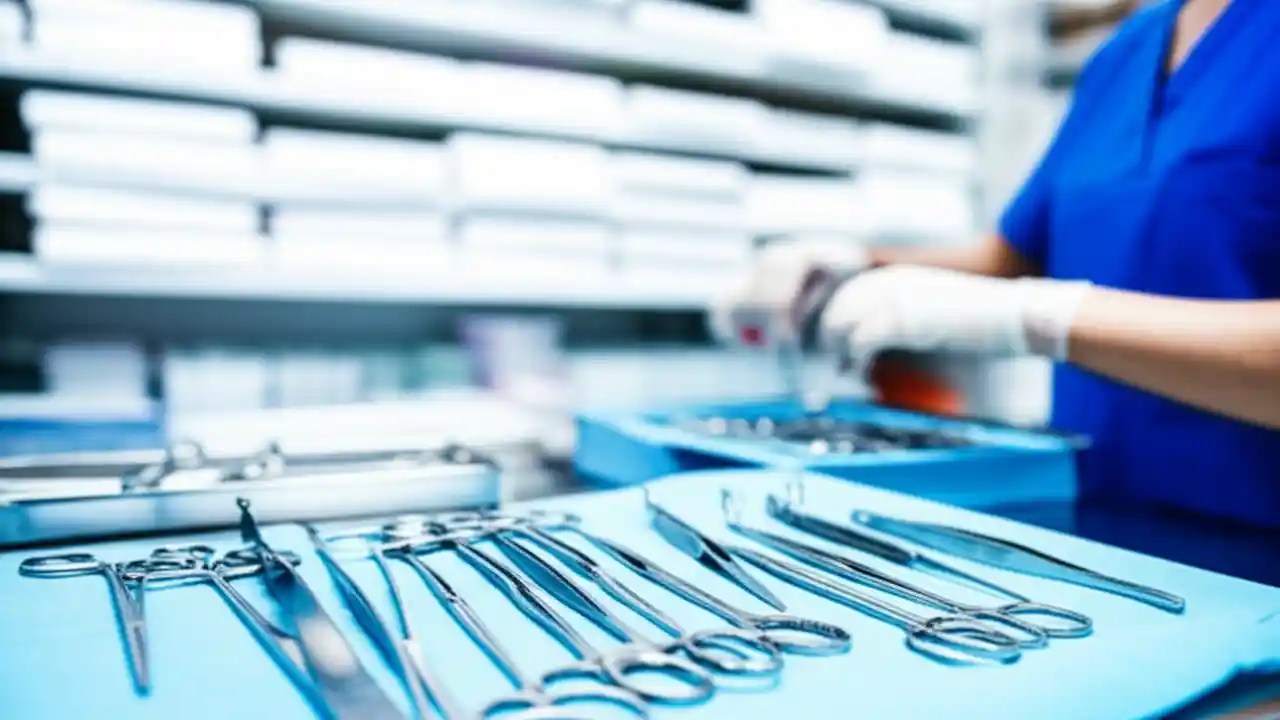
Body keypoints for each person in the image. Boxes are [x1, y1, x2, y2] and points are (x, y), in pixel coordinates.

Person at [711, 0, 1280, 528]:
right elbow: (1017, 256)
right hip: (1092, 516)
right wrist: (857, 263)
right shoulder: (1126, 52)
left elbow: (1020, 297)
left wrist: (1036, 316)